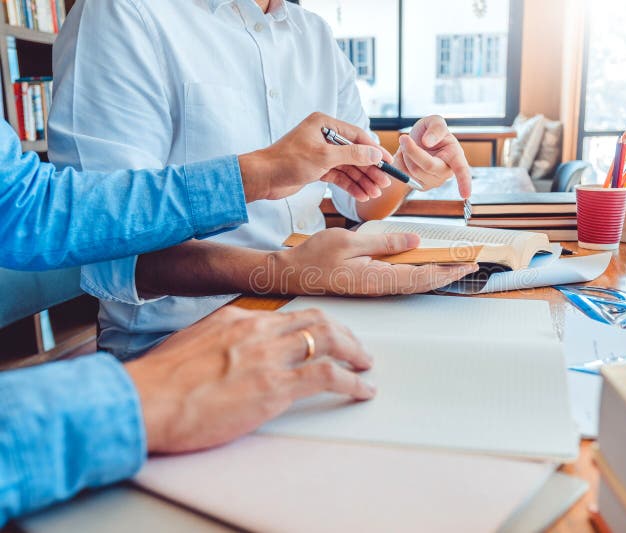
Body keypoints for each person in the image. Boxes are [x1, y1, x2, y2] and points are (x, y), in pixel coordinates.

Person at [0, 114, 475, 525]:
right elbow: (81, 238)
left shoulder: (315, 38)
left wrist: (395, 167)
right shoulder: (123, 11)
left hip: (287, 316)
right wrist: (131, 401)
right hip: (172, 350)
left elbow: (25, 201)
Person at [49, 0, 474, 359]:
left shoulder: (317, 38)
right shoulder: (124, 13)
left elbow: (360, 201)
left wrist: (405, 166)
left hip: (324, 306)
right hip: (181, 342)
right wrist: (284, 271)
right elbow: (111, 251)